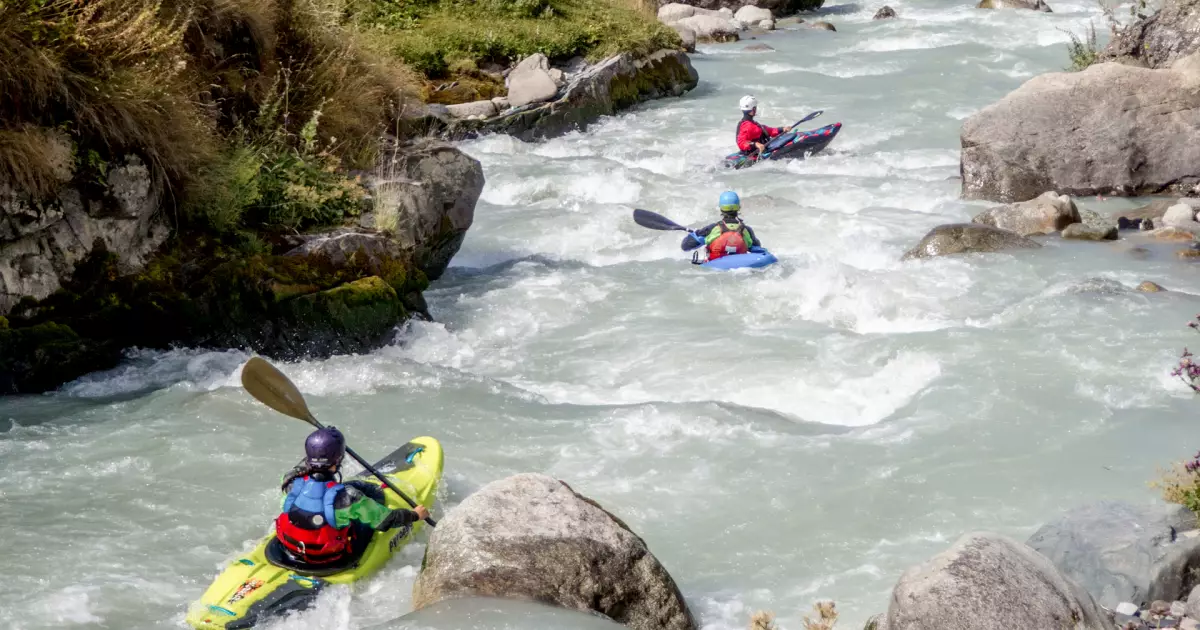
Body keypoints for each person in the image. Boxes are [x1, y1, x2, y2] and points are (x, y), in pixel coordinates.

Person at [273, 427, 429, 566]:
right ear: (338, 460)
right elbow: (386, 520)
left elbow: (300, 469)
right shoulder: (348, 498)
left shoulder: (290, 481)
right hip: (329, 558)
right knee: (366, 515)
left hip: (290, 550)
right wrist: (415, 515)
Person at [682, 191, 765, 260]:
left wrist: (697, 234)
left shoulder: (712, 229)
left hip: (715, 265)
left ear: (721, 208)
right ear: (738, 207)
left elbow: (685, 246)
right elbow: (757, 250)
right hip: (740, 266)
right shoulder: (746, 230)